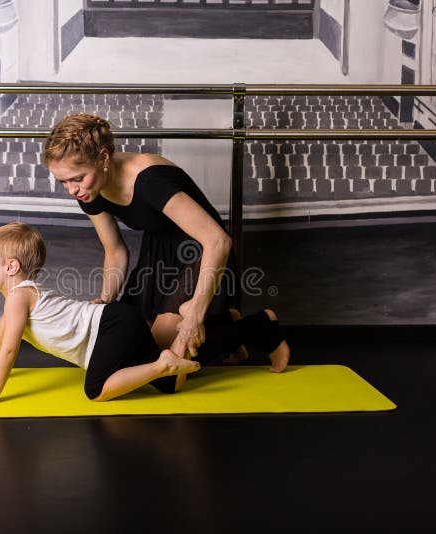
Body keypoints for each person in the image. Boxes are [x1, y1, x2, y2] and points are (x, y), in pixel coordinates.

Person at [42, 113, 289, 371]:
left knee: (161, 356)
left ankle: (260, 326)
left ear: (103, 158)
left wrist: (195, 312)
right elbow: (114, 250)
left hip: (200, 250)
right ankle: (227, 325)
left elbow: (218, 241)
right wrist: (106, 299)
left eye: (77, 178)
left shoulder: (149, 180)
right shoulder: (88, 191)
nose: (72, 190)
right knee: (129, 345)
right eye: (63, 181)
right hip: (158, 253)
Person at [0, 222, 200, 409]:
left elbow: (8, 350)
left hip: (110, 326)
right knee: (170, 385)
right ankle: (183, 335)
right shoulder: (19, 298)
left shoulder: (18, 297)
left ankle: (162, 364)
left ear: (11, 266)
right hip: (118, 322)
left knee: (96, 390)